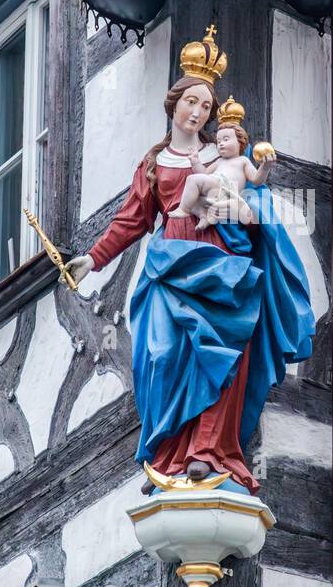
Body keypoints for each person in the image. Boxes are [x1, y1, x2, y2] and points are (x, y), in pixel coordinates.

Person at [63, 28, 314, 496]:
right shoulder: (155, 163)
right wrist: (92, 261)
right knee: (162, 354)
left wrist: (239, 208)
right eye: (190, 102)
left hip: (219, 260)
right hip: (169, 264)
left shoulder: (224, 158)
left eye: (205, 106)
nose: (198, 112)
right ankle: (166, 454)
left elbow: (258, 207)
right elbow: (131, 221)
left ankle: (207, 452)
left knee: (221, 354)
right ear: (173, 104)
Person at [171, 99, 275, 230]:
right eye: (218, 140)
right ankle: (204, 216)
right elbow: (204, 174)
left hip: (226, 190)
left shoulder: (242, 161)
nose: (220, 143)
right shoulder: (219, 161)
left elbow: (257, 180)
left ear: (240, 142)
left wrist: (264, 167)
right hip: (213, 192)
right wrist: (196, 162)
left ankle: (183, 210)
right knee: (192, 198)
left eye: (226, 139)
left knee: (192, 180)